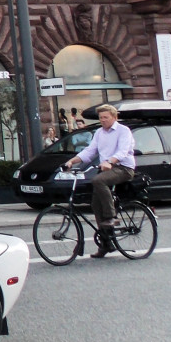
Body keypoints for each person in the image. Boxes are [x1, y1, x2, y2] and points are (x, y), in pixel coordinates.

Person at [62, 104, 135, 258]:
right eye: (101, 118)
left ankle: (111, 216)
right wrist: (71, 161)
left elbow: (123, 151)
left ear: (114, 117)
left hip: (123, 168)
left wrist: (110, 161)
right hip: (106, 169)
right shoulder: (99, 133)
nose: (102, 120)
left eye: (105, 117)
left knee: (98, 180)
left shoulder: (123, 131)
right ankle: (106, 243)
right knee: (95, 204)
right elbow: (89, 151)